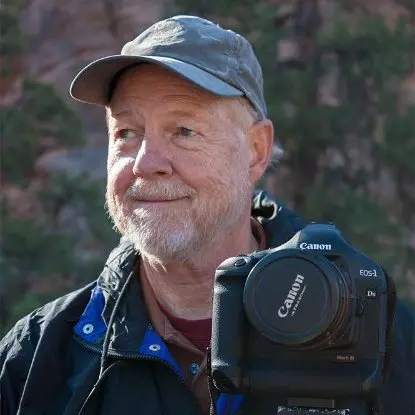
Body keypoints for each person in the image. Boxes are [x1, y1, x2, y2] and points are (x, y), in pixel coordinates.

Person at [0, 15, 413, 415]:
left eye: (184, 131)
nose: (146, 162)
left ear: (256, 150)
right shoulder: (37, 358)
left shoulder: (378, 336)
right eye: (126, 132)